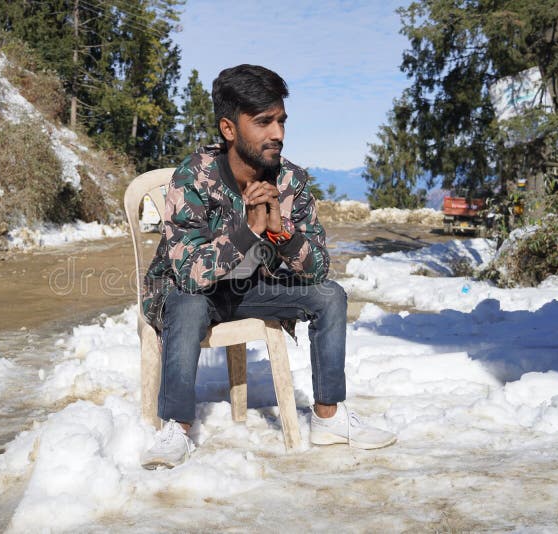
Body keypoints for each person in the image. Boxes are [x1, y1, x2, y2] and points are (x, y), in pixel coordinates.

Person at [140, 64, 396, 469]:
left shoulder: (290, 182)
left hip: (252, 292)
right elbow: (190, 273)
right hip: (192, 296)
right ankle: (177, 427)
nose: (277, 133)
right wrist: (249, 231)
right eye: (263, 122)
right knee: (188, 304)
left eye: (280, 121)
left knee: (331, 297)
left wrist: (281, 233)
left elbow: (317, 270)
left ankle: (328, 418)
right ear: (229, 128)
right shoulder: (193, 177)